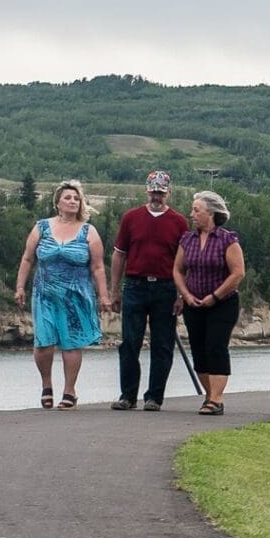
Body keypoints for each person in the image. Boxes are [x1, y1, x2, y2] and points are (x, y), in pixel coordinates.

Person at [13, 180, 111, 410]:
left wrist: (104, 296)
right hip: (44, 294)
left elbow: (98, 267)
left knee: (71, 343)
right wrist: (20, 287)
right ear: (57, 202)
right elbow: (27, 259)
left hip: (75, 295)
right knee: (43, 342)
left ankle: (69, 391)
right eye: (68, 198)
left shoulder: (88, 231)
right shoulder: (42, 227)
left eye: (76, 198)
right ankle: (46, 386)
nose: (72, 201)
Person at [111, 170, 189, 411]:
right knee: (130, 342)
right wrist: (114, 291)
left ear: (168, 193)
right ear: (147, 190)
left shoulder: (179, 222)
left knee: (162, 344)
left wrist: (181, 294)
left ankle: (154, 397)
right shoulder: (131, 218)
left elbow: (184, 262)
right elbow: (119, 255)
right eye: (154, 191)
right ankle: (128, 396)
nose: (157, 196)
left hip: (166, 288)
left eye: (161, 192)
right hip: (135, 285)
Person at [175, 190, 245, 415]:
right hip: (193, 303)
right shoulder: (187, 239)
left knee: (216, 346)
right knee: (199, 349)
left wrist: (215, 296)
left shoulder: (227, 240)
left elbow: (238, 273)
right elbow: (178, 270)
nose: (192, 214)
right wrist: (185, 295)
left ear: (211, 213)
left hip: (223, 303)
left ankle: (216, 399)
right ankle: (209, 395)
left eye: (197, 210)